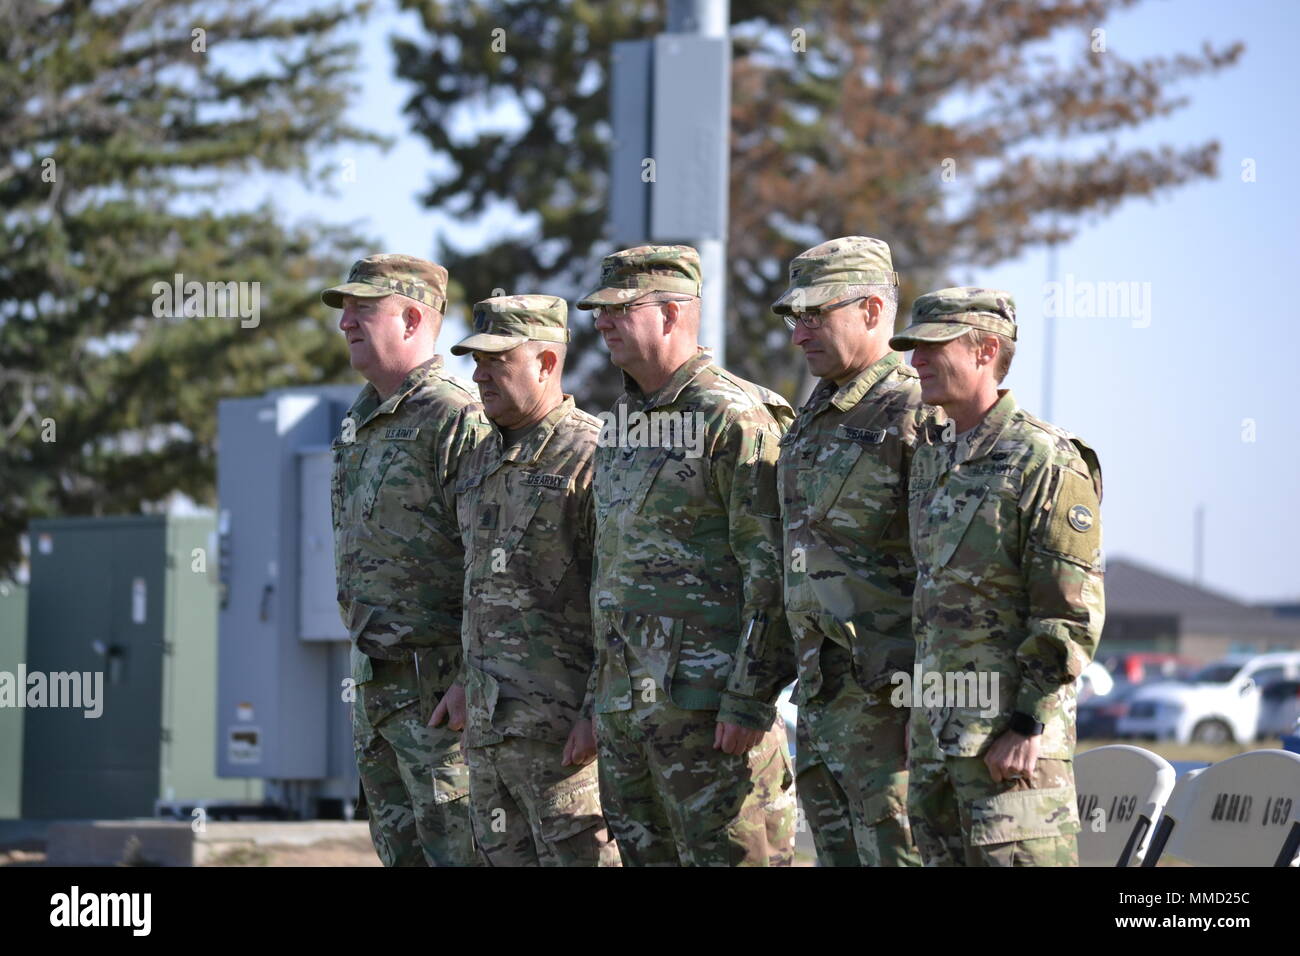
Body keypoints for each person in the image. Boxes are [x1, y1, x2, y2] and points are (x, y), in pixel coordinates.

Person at [577, 244, 798, 866]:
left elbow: (773, 570)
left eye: (620, 309)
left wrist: (751, 697)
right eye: (600, 310)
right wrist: (601, 700)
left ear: (672, 314)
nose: (602, 322)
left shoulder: (734, 415)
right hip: (630, 720)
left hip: (712, 721)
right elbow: (610, 575)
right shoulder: (621, 420)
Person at [890, 287, 1104, 866]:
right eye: (913, 349)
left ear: (986, 350)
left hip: (1012, 753)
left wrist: (1027, 721)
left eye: (933, 347)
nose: (916, 363)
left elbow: (1069, 614)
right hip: (939, 744)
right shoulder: (935, 453)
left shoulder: (1045, 460)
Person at [323, 253, 490, 866]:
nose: (345, 324)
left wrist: (473, 677)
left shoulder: (458, 418)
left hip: (442, 693)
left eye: (362, 310)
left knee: (460, 852)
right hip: (377, 686)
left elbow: (491, 561)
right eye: (344, 312)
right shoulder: (359, 418)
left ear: (414, 319)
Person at [445, 293, 618, 866]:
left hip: (564, 741)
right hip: (492, 736)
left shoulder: (592, 456)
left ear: (546, 363)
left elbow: (614, 598)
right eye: (476, 361)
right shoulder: (478, 460)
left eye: (497, 361)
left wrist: (596, 713)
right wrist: (464, 682)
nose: (479, 375)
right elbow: (478, 588)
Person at [771, 236, 927, 866]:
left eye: (815, 313)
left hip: (893, 707)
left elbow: (955, 570)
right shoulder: (817, 413)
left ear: (870, 310)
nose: (799, 332)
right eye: (793, 316)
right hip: (824, 694)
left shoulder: (916, 411)